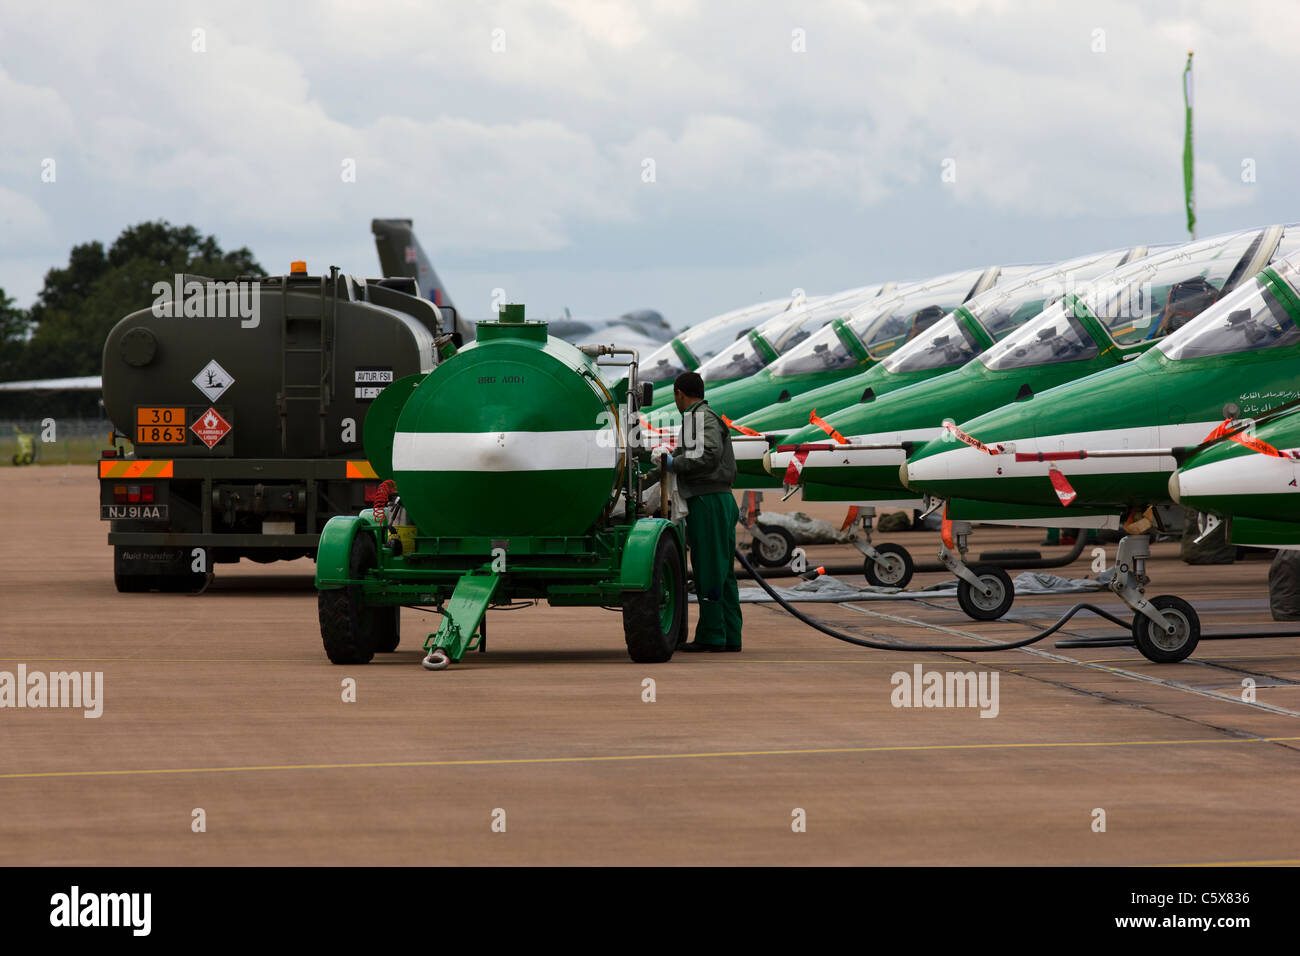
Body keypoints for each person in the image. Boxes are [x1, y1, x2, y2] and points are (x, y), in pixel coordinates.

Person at [651, 372, 743, 652]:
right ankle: (729, 635)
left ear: (679, 393)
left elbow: (708, 455)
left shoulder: (699, 418)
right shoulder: (697, 418)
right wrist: (654, 473)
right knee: (722, 570)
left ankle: (713, 636)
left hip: (709, 501)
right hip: (716, 500)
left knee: (709, 570)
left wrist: (672, 463)